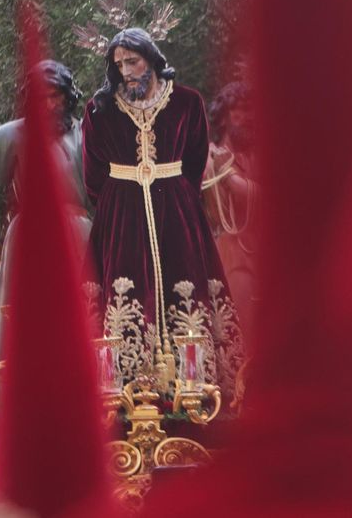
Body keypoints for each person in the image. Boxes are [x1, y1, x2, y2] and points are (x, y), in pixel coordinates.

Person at [82, 28, 244, 397]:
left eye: (133, 61)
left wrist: (178, 197)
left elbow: (195, 161)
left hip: (177, 211)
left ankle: (193, 383)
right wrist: (119, 202)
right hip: (121, 215)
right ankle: (123, 385)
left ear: (152, 59)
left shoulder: (187, 103)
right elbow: (93, 176)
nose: (126, 71)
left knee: (184, 284)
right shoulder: (99, 110)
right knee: (123, 288)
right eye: (118, 64)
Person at [0, 59, 91, 365]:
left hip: (79, 234)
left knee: (84, 310)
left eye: (56, 96)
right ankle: (11, 380)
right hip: (30, 235)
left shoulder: (86, 135)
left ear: (68, 96)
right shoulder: (8, 136)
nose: (50, 104)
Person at [202, 82, 258, 331]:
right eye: (239, 110)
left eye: (250, 110)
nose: (247, 117)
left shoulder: (259, 157)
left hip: (264, 251)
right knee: (240, 329)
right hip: (230, 254)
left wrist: (231, 179)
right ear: (223, 117)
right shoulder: (209, 157)